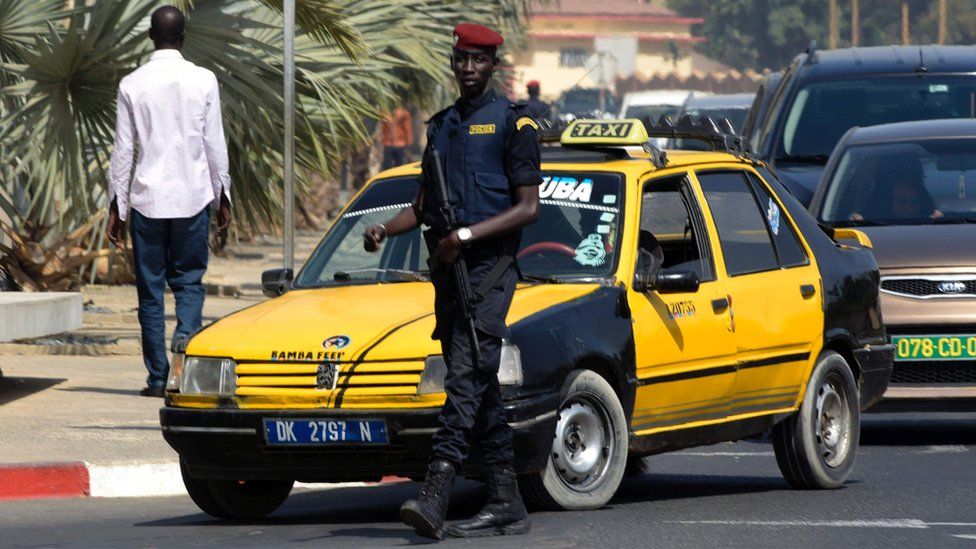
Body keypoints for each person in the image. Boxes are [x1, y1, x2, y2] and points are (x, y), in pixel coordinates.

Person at [362, 23, 541, 540]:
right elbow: (421, 205)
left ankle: (436, 492)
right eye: (461, 59)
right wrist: (381, 229)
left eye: (478, 61)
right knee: (479, 382)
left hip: (489, 270)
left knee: (464, 375)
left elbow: (527, 208)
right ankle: (506, 499)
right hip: (447, 269)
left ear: (494, 66)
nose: (468, 69)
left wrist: (464, 234)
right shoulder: (441, 126)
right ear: (453, 61)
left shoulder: (514, 124)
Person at [106, 6, 231, 398]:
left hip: (147, 200)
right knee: (190, 284)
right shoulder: (204, 80)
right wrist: (223, 195)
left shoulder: (131, 84)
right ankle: (183, 362)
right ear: (184, 36)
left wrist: (117, 206)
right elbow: (214, 142)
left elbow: (124, 151)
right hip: (193, 197)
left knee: (150, 292)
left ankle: (158, 377)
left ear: (149, 36)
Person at [850, 155, 942, 222]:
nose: (910, 208)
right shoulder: (866, 225)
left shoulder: (932, 223)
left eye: (914, 202)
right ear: (888, 203)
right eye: (902, 202)